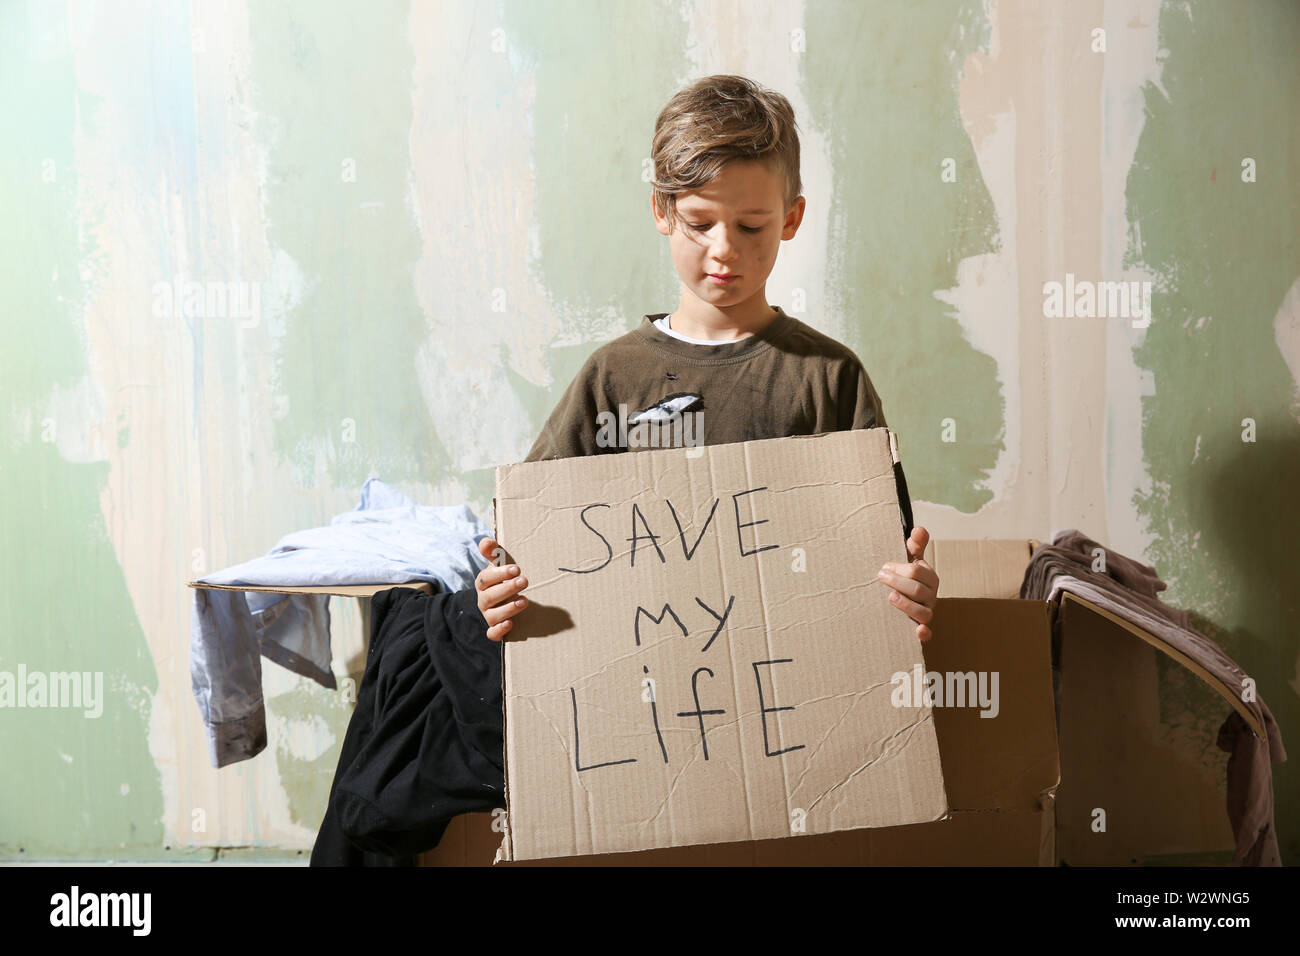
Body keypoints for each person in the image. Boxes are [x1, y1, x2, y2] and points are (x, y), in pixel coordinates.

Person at [474, 74, 938, 643]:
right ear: (661, 211)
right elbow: (533, 535)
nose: (724, 249)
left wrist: (908, 588)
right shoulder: (613, 379)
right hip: (641, 675)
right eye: (699, 224)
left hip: (794, 676)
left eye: (751, 225)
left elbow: (886, 554)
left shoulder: (830, 377)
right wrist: (500, 587)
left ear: (790, 219)